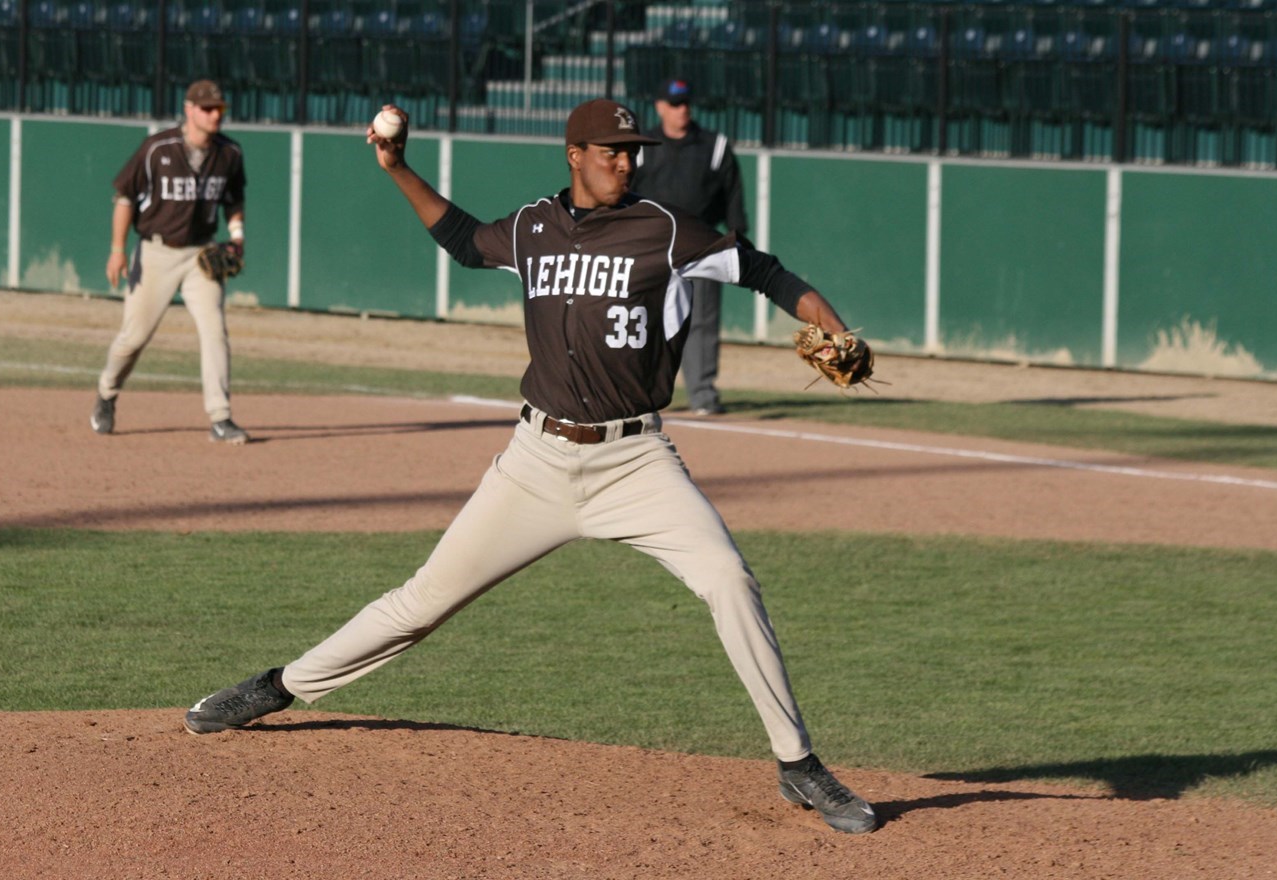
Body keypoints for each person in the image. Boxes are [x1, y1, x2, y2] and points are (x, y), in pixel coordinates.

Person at [184, 99, 880, 835]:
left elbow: (764, 271)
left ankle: (798, 765)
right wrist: (396, 167)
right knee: (422, 603)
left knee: (729, 579)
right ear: (574, 153)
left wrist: (830, 327)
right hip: (536, 461)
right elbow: (460, 240)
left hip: (636, 461)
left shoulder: (666, 230)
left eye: (631, 150)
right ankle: (278, 685)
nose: (626, 161)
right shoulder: (531, 228)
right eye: (611, 149)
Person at [91, 78, 251, 444]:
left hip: (201, 254)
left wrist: (238, 238)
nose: (215, 115)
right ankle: (107, 392)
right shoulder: (157, 148)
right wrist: (117, 250)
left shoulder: (230, 154)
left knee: (215, 333)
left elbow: (234, 200)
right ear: (189, 109)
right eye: (208, 108)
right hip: (156, 252)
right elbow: (124, 197)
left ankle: (221, 418)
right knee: (133, 338)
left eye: (219, 109)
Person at [630, 78, 749, 417]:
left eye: (685, 103)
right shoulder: (643, 147)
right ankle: (640, 392)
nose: (681, 109)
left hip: (702, 246)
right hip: (651, 246)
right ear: (659, 106)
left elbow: (733, 198)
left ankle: (702, 394)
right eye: (674, 103)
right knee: (644, 320)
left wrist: (738, 238)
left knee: (701, 322)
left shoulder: (715, 146)